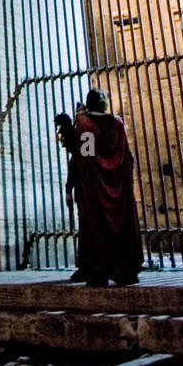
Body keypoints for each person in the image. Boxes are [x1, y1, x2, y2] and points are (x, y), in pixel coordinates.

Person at [56, 88, 144, 286]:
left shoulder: (85, 126)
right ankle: (126, 271)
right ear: (104, 104)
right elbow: (127, 157)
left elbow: (86, 158)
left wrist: (73, 187)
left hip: (96, 187)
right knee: (122, 225)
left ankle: (100, 271)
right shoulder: (118, 124)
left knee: (98, 228)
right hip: (118, 186)